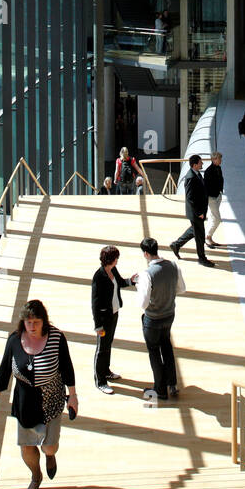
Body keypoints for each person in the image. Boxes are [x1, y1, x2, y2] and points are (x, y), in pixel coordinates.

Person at [0, 299, 77, 489]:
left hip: (50, 398)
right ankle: (36, 476)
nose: (32, 327)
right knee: (27, 447)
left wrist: (73, 396)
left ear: (44, 321)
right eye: (28, 323)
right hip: (25, 401)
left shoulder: (56, 338)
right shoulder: (14, 340)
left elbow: (67, 367)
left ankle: (49, 455)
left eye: (36, 322)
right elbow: (4, 371)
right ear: (23, 323)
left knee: (50, 446)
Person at [133, 236, 185, 401]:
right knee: (167, 346)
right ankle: (173, 384)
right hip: (169, 314)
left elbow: (143, 303)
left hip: (153, 319)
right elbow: (181, 289)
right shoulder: (173, 266)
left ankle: (160, 389)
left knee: (154, 351)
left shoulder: (147, 274)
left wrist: (138, 286)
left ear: (146, 254)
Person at [91, 244, 135, 394]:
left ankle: (106, 371)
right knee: (101, 348)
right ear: (112, 259)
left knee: (108, 344)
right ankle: (100, 380)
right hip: (104, 318)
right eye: (116, 258)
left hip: (114, 313)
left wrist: (131, 280)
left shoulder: (112, 269)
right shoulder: (99, 276)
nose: (118, 260)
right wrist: (98, 325)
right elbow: (95, 303)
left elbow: (121, 282)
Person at [170, 154, 214, 266]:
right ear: (194, 165)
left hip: (200, 211)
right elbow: (190, 198)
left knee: (195, 230)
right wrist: (199, 212)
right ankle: (202, 258)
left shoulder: (197, 174)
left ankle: (176, 244)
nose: (202, 164)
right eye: (200, 163)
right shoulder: (190, 177)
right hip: (196, 212)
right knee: (200, 236)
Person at [204, 151, 225, 248]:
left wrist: (220, 191)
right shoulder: (208, 171)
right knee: (217, 219)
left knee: (213, 217)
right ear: (213, 159)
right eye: (218, 158)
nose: (220, 160)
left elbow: (220, 180)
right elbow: (208, 186)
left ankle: (209, 237)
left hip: (217, 195)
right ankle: (208, 236)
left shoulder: (218, 168)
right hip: (212, 197)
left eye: (220, 158)